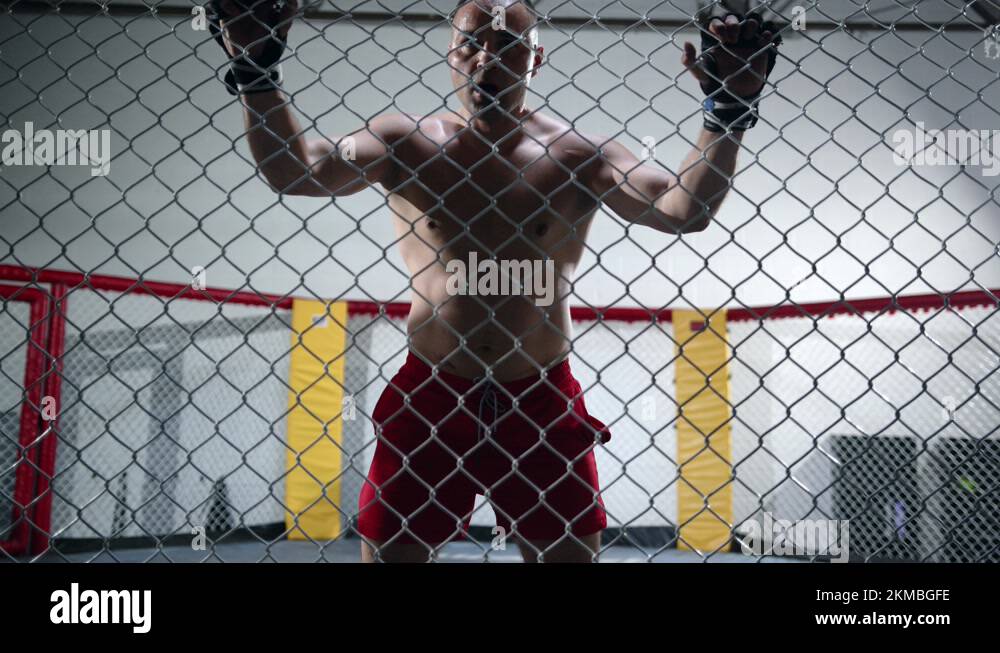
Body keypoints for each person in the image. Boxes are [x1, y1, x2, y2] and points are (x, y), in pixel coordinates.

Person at [209, 0, 781, 562]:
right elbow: (296, 170)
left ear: (536, 60)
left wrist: (726, 112)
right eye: (473, 44)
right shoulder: (405, 142)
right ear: (451, 55)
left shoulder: (578, 154)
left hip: (539, 398)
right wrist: (256, 70)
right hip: (433, 395)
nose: (488, 59)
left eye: (509, 46)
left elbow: (683, 210)